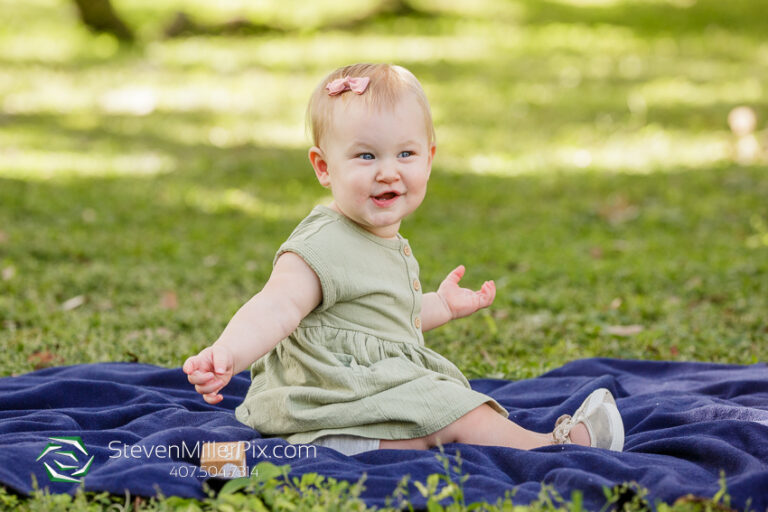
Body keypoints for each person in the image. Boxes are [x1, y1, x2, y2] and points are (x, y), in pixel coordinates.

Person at [183, 63, 624, 456]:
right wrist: (228, 353)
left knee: (440, 406)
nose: (388, 171)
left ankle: (371, 442)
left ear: (429, 160)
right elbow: (275, 307)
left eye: (405, 154)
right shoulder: (321, 244)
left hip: (359, 391)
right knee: (457, 410)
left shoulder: (383, 239)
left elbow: (385, 320)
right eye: (366, 155)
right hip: (327, 395)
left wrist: (443, 306)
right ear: (323, 167)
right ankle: (550, 448)